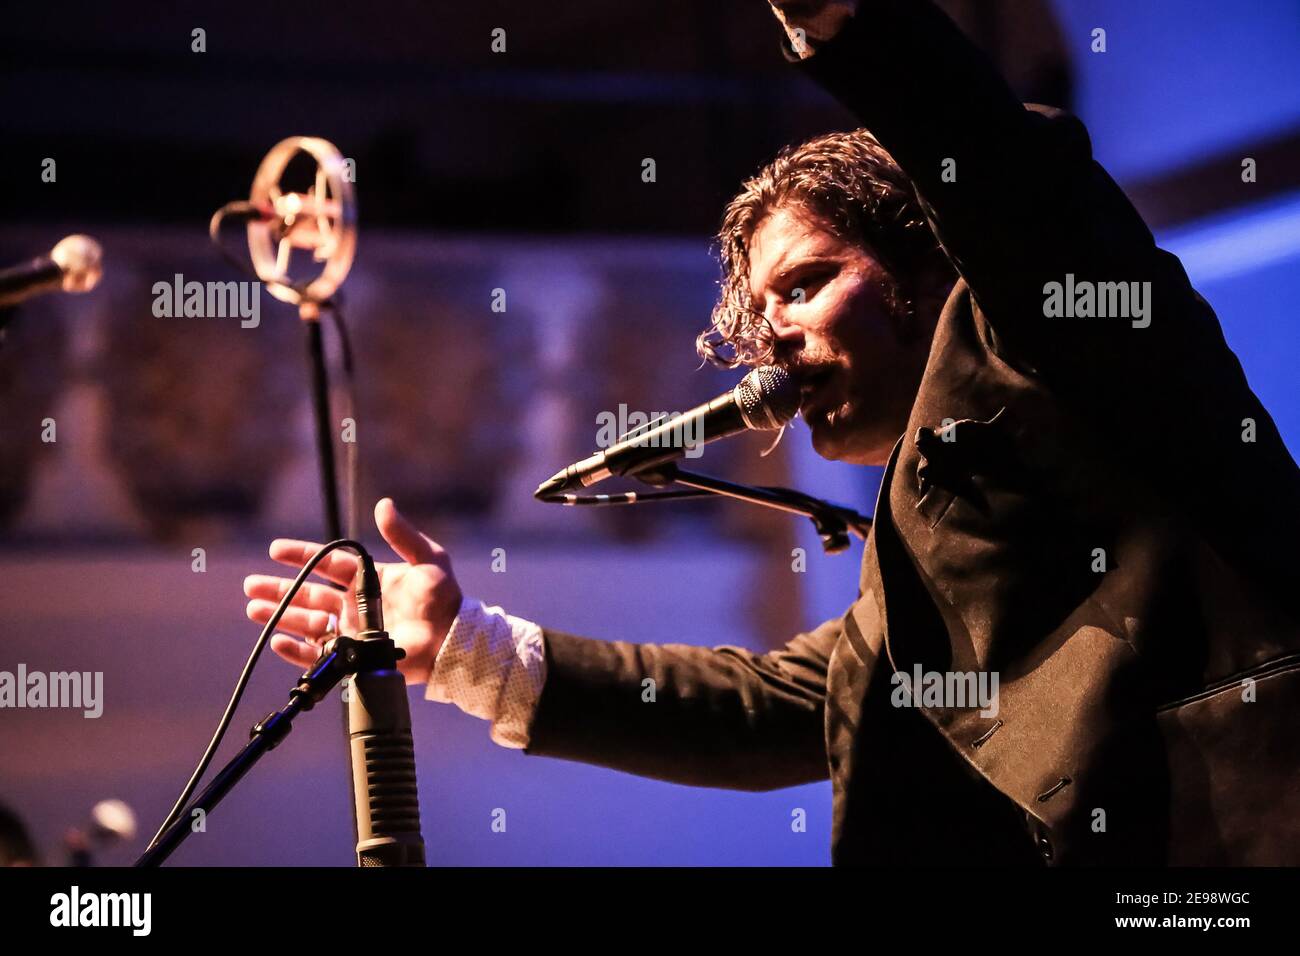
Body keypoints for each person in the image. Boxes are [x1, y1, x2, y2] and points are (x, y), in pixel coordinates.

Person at [243, 1, 1300, 864]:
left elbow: (1011, 176)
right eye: (762, 311)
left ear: (932, 264)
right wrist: (465, 648)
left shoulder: (1063, 340)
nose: (775, 336)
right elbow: (770, 709)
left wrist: (849, 23)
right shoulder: (913, 561)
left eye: (806, 282)